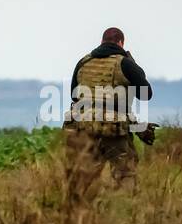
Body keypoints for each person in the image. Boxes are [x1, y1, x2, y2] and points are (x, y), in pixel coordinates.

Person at [63, 27, 153, 196]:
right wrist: (134, 67)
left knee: (83, 179)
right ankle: (124, 210)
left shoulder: (83, 62)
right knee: (125, 174)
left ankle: (80, 214)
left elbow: (74, 95)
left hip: (84, 129)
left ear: (101, 41)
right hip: (114, 131)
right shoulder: (124, 63)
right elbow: (146, 94)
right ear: (121, 43)